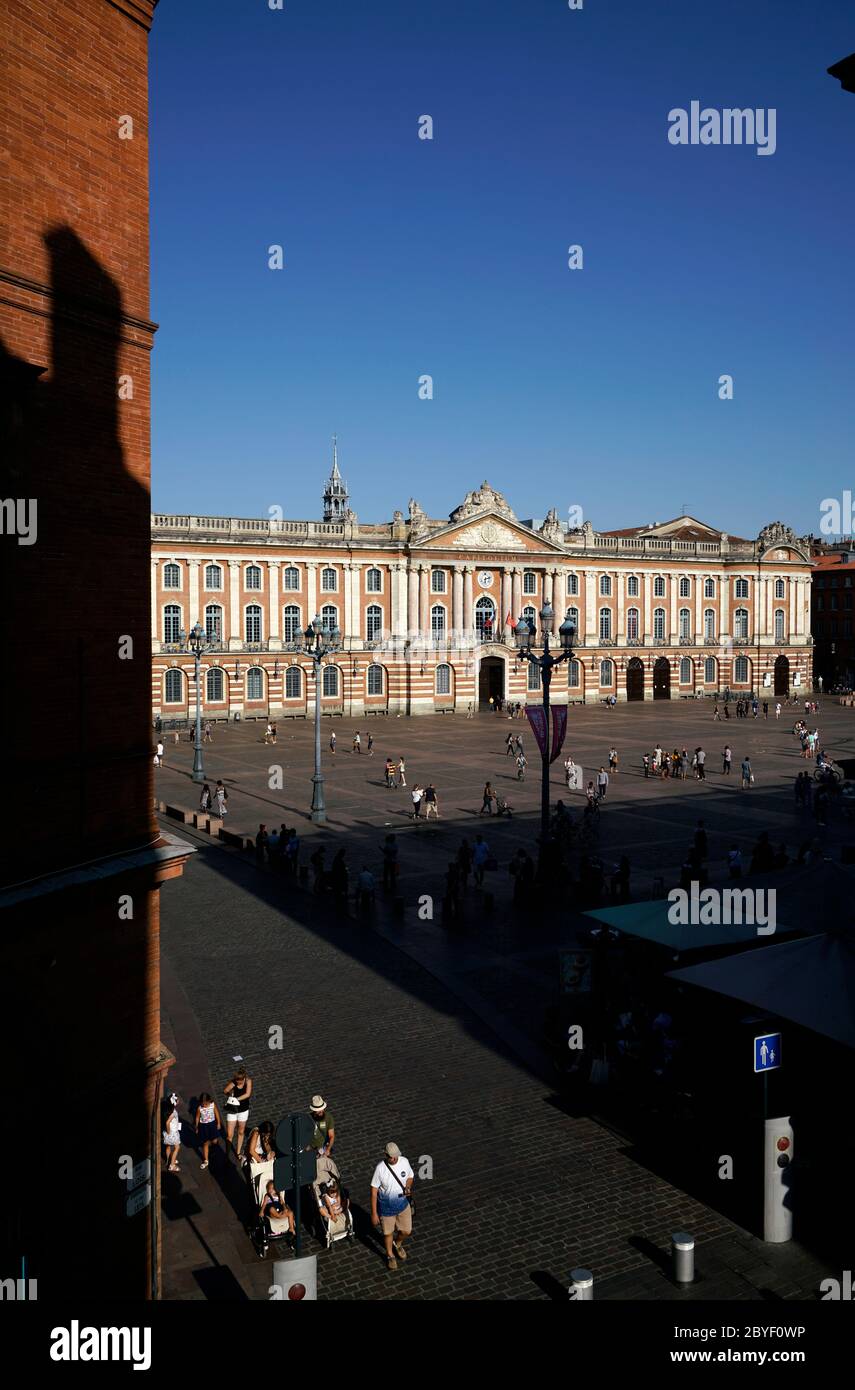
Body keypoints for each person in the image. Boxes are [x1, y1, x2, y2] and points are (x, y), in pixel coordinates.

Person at [371, 1142, 414, 1272]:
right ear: (385, 1155)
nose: (394, 1159)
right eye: (391, 1157)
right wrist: (374, 1213)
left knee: (407, 1231)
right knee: (388, 1233)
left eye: (395, 1156)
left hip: (402, 1204)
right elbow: (373, 1191)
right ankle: (390, 1255)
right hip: (386, 1207)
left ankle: (398, 1243)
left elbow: (410, 1176)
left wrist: (408, 1186)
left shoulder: (404, 1162)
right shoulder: (380, 1169)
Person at [223, 1067, 252, 1158]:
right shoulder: (234, 1082)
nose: (238, 1082)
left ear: (244, 1078)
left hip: (243, 1110)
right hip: (232, 1110)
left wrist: (236, 1099)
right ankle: (227, 1154)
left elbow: (247, 1094)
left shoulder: (248, 1081)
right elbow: (225, 1090)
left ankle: (238, 1152)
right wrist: (230, 1095)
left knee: (241, 1131)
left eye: (239, 1080)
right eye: (236, 1080)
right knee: (229, 1135)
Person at [195, 1092, 223, 1170]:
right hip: (204, 1126)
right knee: (205, 1143)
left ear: (209, 1101)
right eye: (203, 1103)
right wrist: (196, 1127)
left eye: (206, 1103)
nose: (204, 1105)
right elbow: (197, 1117)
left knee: (214, 1141)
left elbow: (216, 1114)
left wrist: (218, 1123)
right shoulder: (199, 1108)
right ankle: (206, 1160)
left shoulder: (212, 1105)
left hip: (212, 1125)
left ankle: (215, 1153)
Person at [162, 1092, 182, 1173]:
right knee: (177, 1148)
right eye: (177, 1100)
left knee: (168, 1146)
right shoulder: (172, 1112)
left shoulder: (167, 1109)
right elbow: (167, 1123)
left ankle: (168, 1160)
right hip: (172, 1133)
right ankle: (172, 1165)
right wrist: (169, 1131)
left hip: (167, 1133)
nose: (178, 1100)